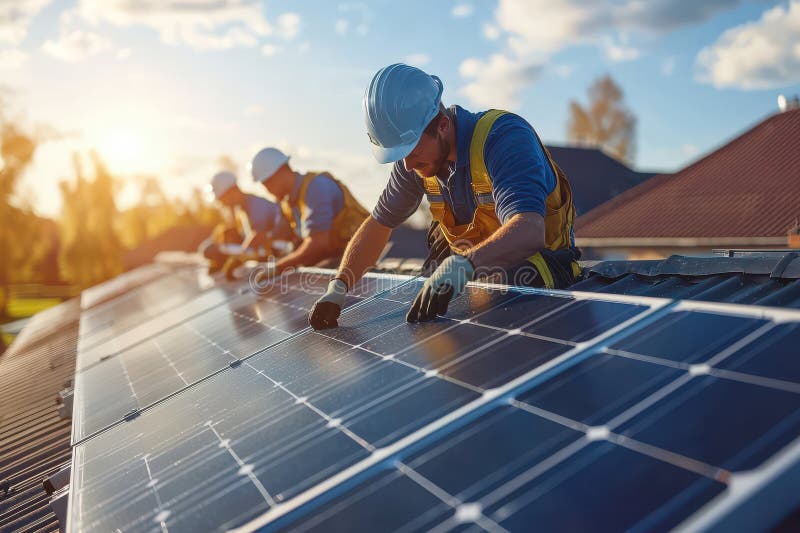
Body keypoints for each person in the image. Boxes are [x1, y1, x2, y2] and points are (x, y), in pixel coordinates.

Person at [309, 63, 581, 329]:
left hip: (538, 266)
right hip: (477, 267)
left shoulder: (503, 138)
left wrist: (464, 264)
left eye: (412, 152)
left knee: (505, 279)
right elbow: (380, 223)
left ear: (441, 124)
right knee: (438, 254)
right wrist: (339, 286)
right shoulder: (413, 160)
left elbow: (529, 230)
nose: (407, 166)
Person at [249, 147, 369, 276]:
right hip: (341, 258)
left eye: (267, 182)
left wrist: (279, 267)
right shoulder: (287, 203)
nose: (267, 189)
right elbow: (282, 235)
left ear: (281, 171)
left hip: (368, 253)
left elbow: (318, 243)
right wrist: (256, 245)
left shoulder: (317, 187)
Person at [199, 170, 293, 275]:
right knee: (209, 249)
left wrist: (239, 258)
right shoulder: (240, 208)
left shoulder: (256, 204)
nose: (222, 203)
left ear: (231, 191)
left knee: (212, 250)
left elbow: (258, 237)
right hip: (264, 248)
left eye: (222, 199)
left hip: (279, 247)